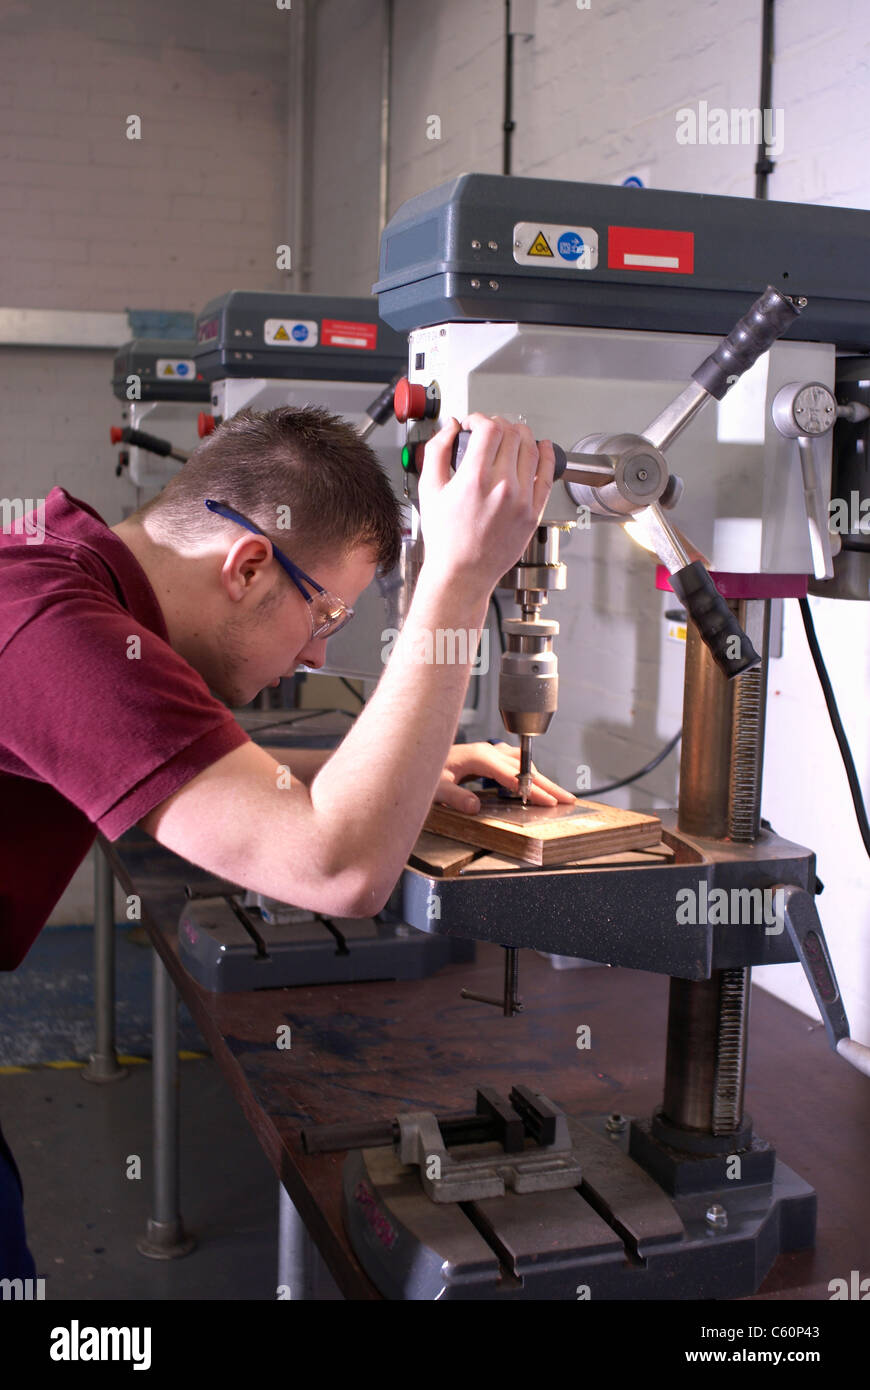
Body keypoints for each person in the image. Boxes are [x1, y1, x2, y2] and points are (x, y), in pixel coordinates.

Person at [0, 403, 574, 1277]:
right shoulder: (55, 627)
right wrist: (460, 577)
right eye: (326, 616)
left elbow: (186, 758)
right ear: (249, 564)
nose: (312, 657)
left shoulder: (65, 567)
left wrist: (402, 769)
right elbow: (335, 869)